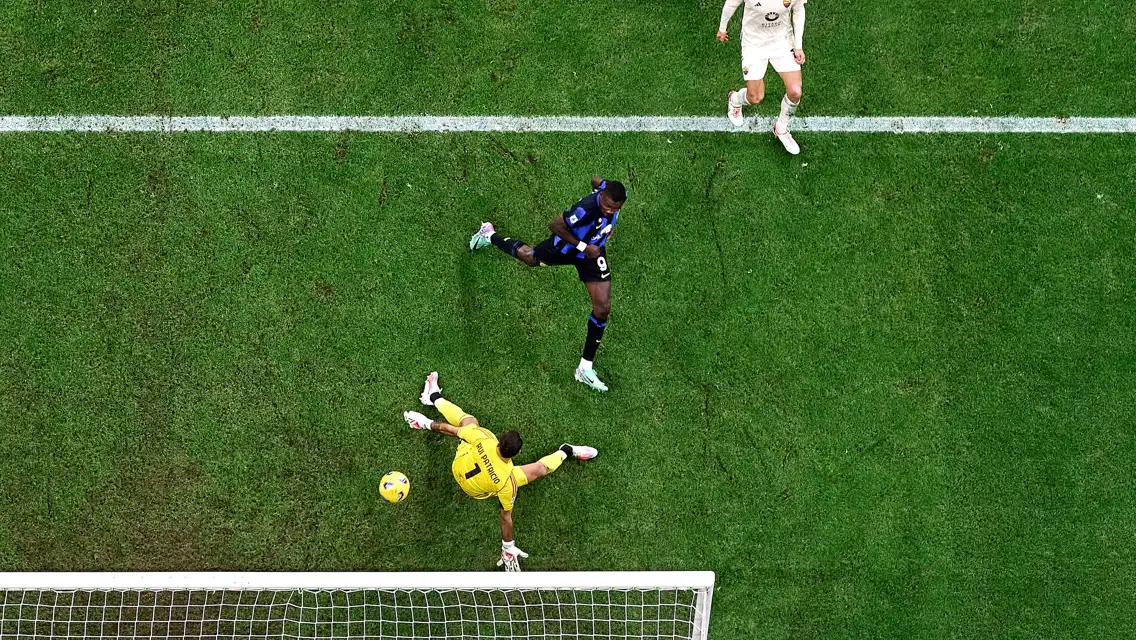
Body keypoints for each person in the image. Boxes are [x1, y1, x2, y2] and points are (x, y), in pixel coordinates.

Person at [402, 372, 599, 571]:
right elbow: (506, 518)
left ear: (500, 439)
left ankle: (433, 397)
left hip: (458, 467)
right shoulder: (508, 481)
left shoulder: (483, 439)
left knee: (468, 422)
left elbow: (448, 429)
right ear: (517, 453)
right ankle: (567, 450)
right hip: (474, 492)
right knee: (540, 469)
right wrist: (508, 545)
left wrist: (425, 422)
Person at [468, 177, 626, 392]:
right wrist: (582, 246)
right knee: (530, 258)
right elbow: (555, 225)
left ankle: (585, 369)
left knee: (603, 308)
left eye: (614, 208)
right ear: (601, 198)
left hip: (592, 254)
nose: (609, 211)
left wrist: (605, 231)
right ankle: (489, 235)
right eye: (607, 206)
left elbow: (595, 180)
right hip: (566, 248)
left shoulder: (607, 190)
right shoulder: (586, 208)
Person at [717, 0, 808, 155]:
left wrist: (798, 45)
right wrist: (722, 28)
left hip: (782, 41)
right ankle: (735, 99)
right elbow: (731, 4)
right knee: (755, 97)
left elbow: (799, 9)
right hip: (753, 43)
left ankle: (781, 129)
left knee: (795, 91)